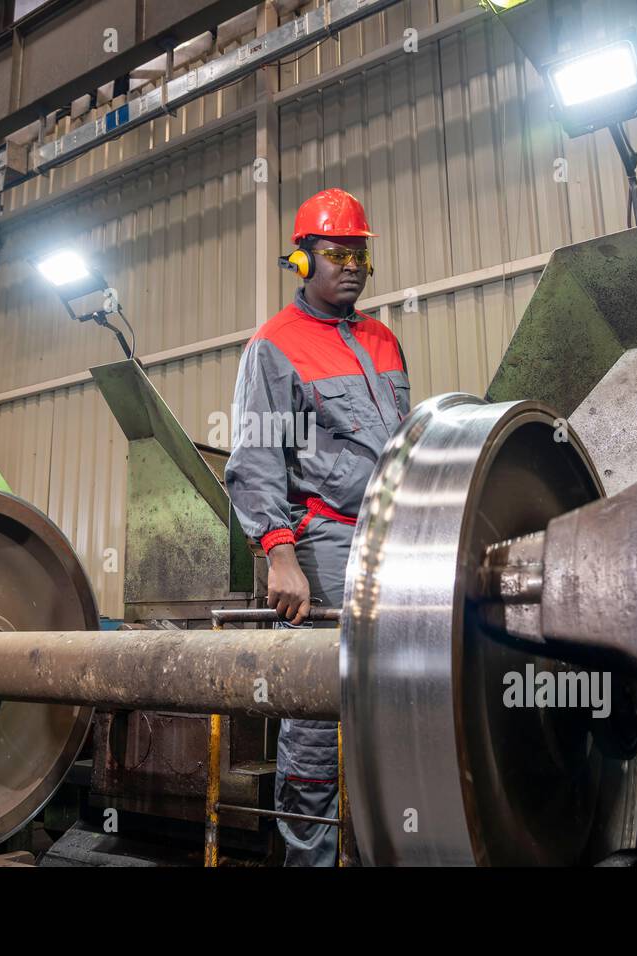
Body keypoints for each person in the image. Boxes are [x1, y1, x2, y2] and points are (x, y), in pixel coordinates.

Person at [224, 187, 410, 866]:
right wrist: (279, 552)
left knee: (390, 695)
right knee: (316, 708)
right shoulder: (273, 348)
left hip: (392, 539)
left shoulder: (384, 339)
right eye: (335, 253)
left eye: (359, 253)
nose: (352, 266)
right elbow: (257, 458)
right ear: (301, 262)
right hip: (324, 542)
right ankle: (309, 857)